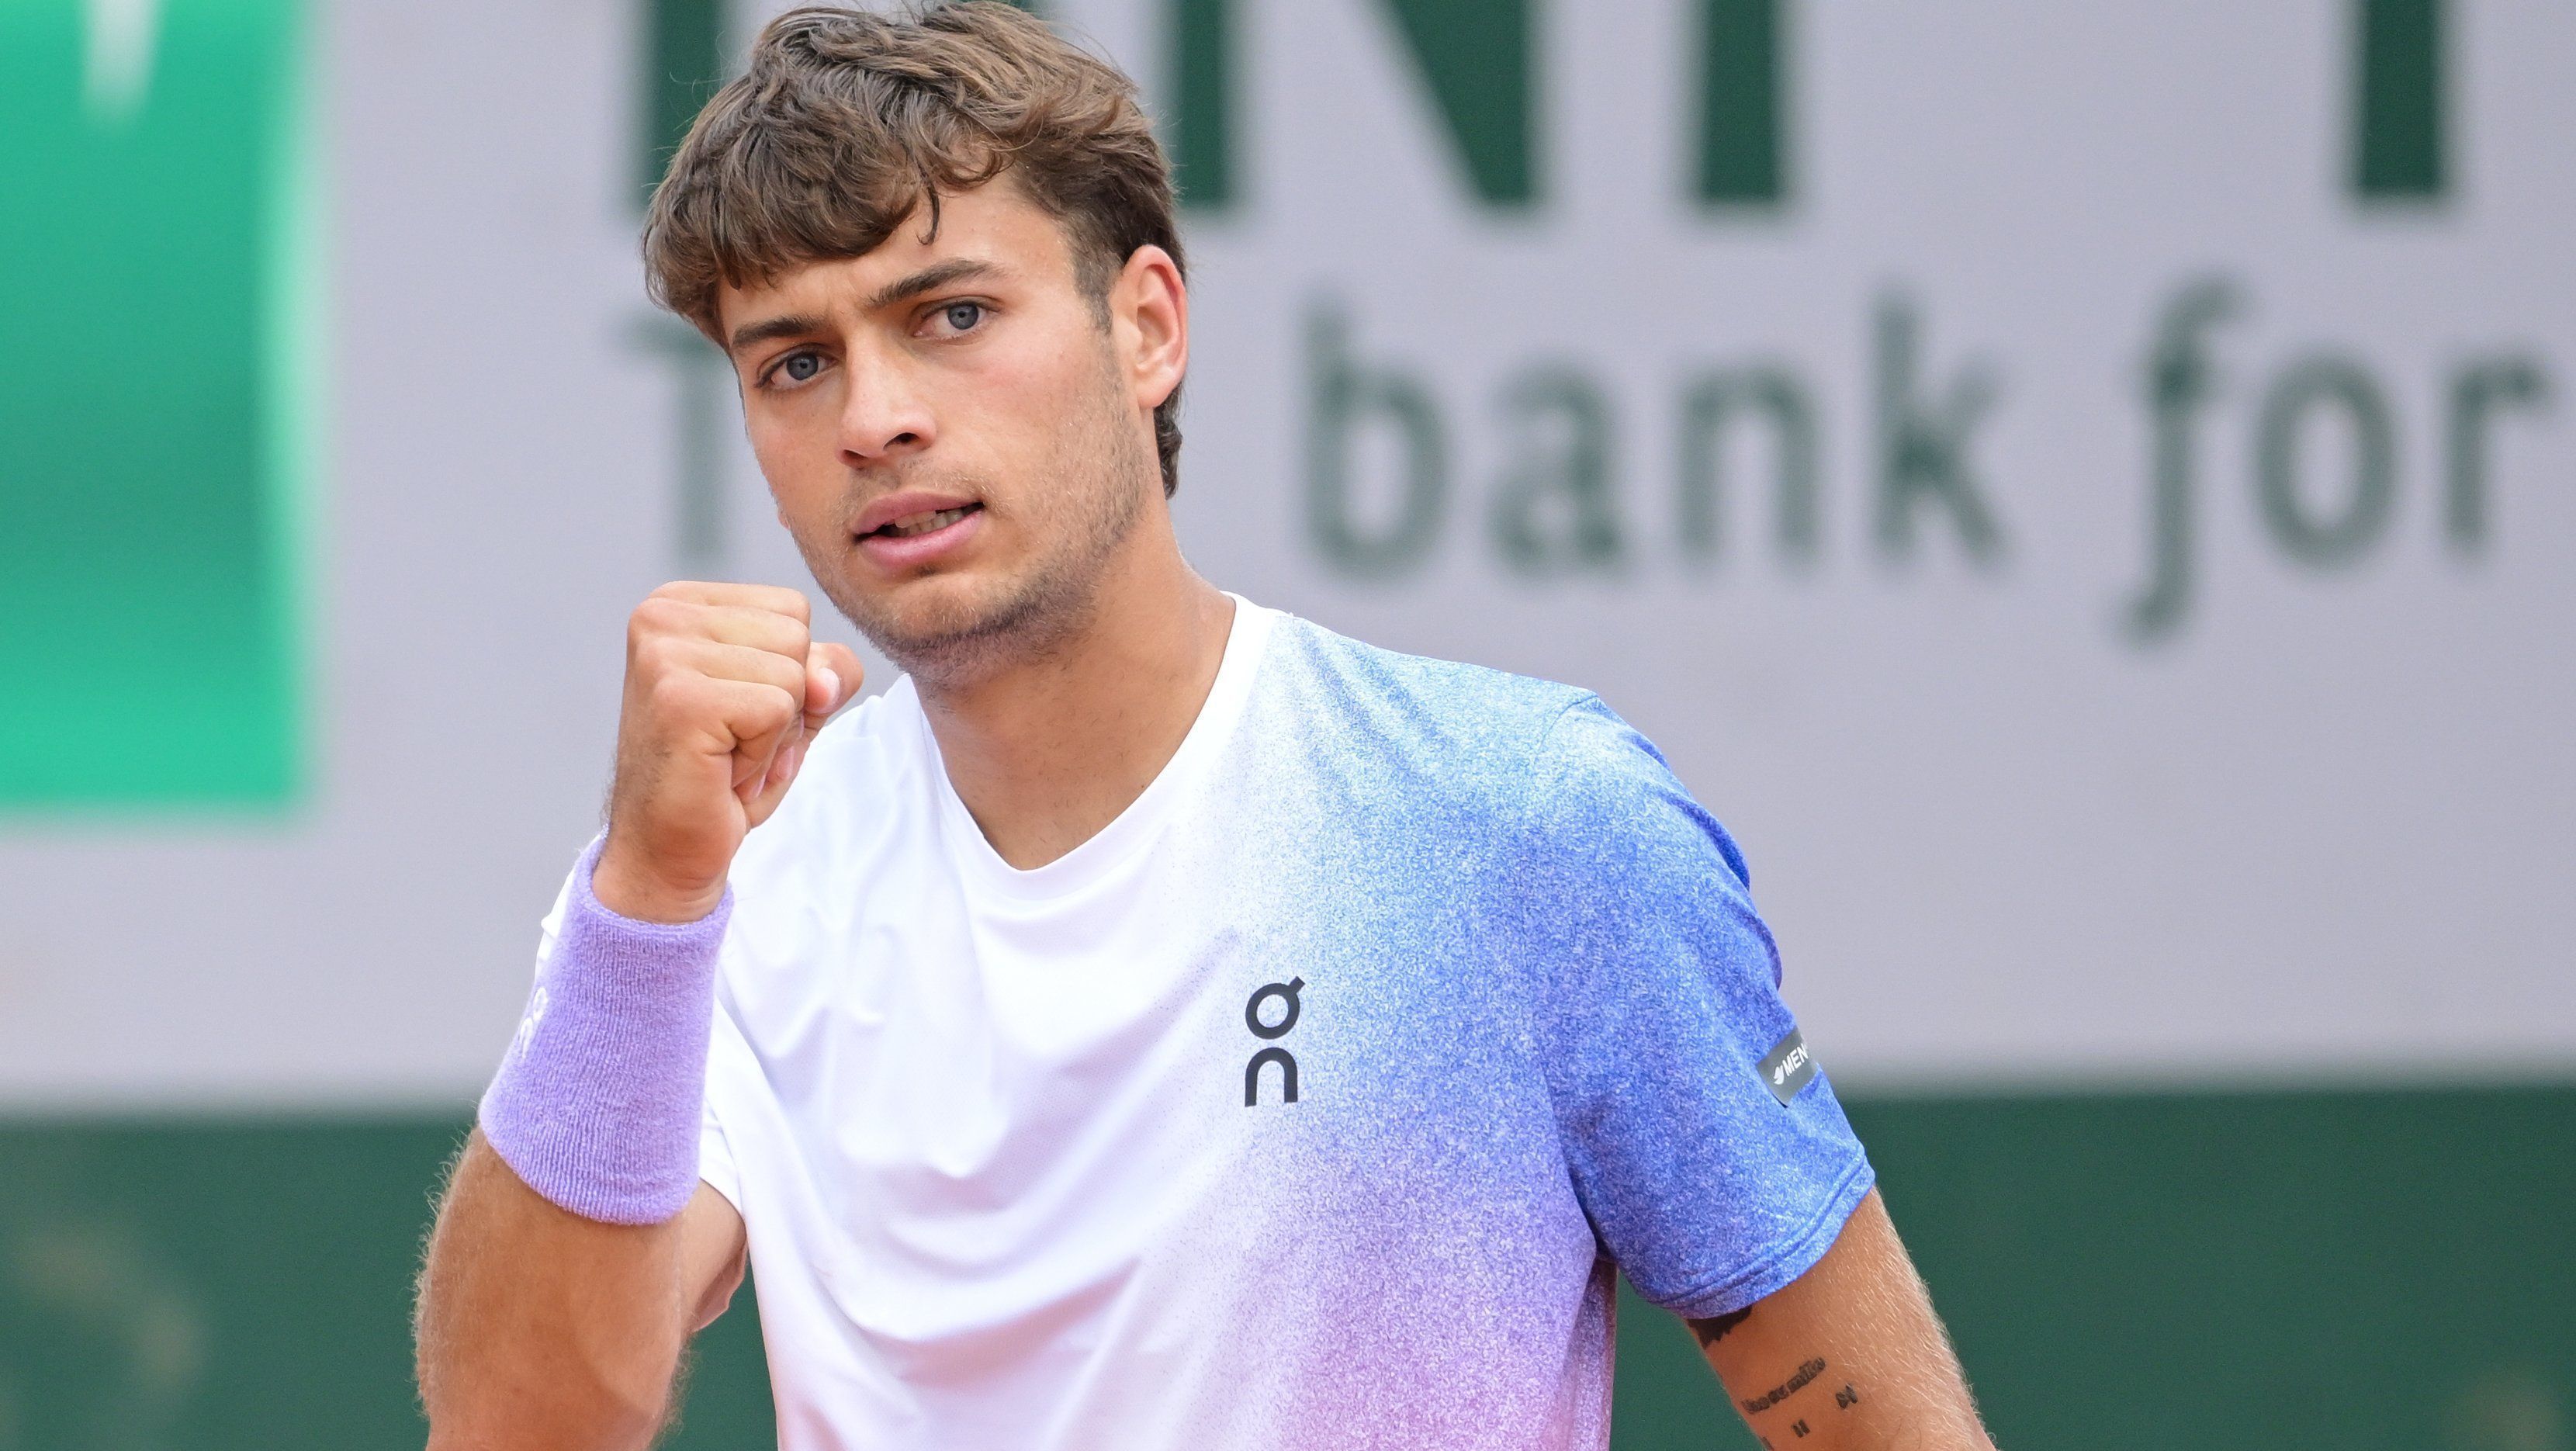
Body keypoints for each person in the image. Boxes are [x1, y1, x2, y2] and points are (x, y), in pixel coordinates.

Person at [412, 5, 1996, 1448]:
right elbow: (518, 1425)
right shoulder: (712, 892)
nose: (874, 417)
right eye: (796, 362)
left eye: (950, 315)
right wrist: (645, 898)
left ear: (1148, 327)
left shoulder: (1519, 821)